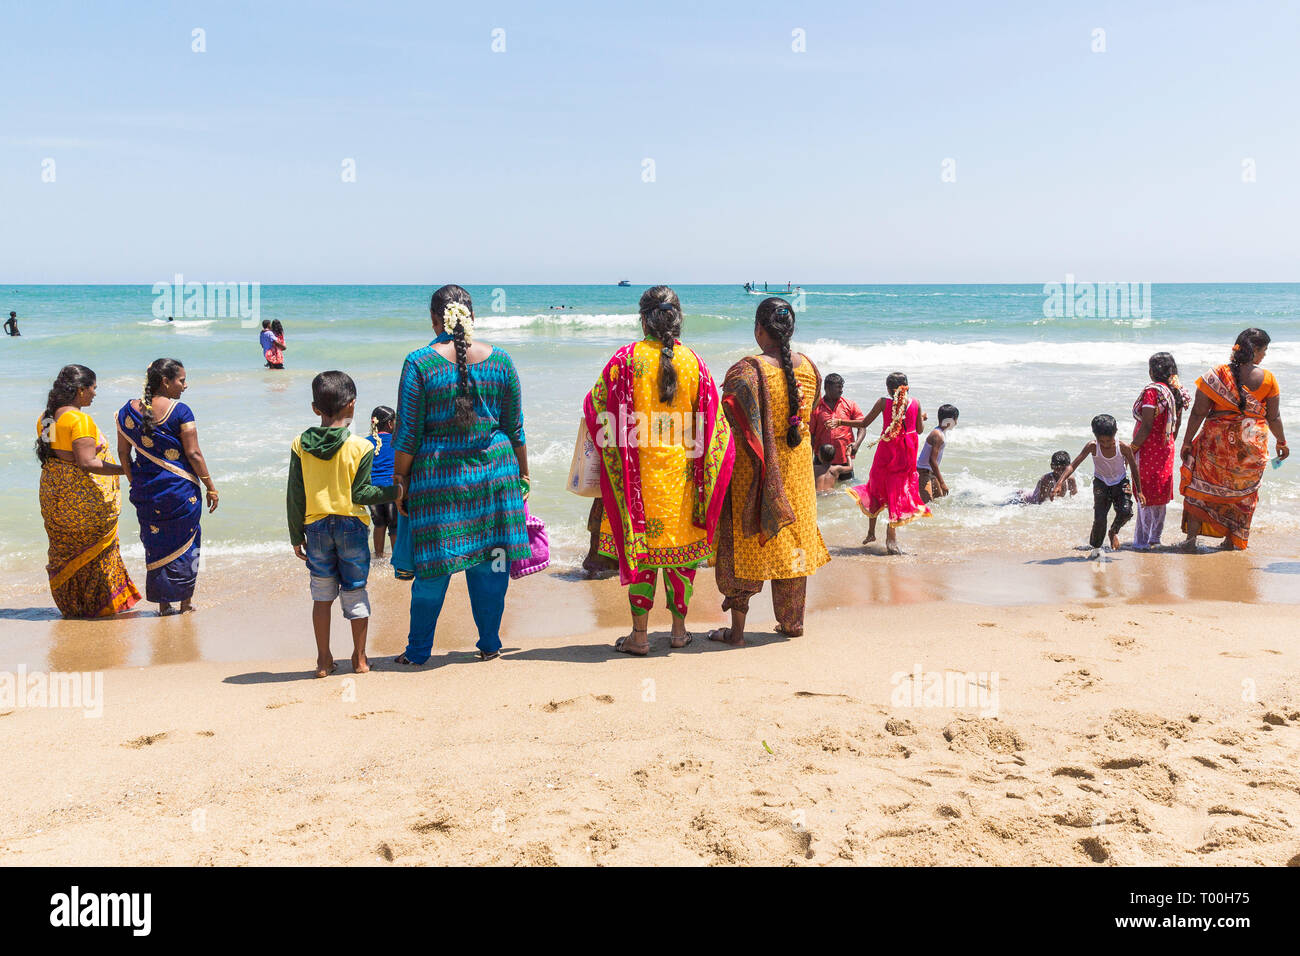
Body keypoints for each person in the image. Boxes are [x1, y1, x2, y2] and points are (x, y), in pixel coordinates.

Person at [583, 285, 733, 655]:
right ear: (677, 319)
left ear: (643, 319)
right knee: (680, 556)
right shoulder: (694, 363)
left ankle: (640, 635)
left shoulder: (625, 360)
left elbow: (595, 405)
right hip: (682, 479)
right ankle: (680, 631)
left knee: (643, 554)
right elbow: (716, 427)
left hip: (640, 481)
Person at [392, 285, 530, 664]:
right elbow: (514, 428)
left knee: (433, 569)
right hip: (497, 479)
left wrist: (399, 483)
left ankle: (418, 651)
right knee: (493, 563)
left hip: (440, 482)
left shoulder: (419, 363)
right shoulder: (501, 361)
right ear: (473, 317)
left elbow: (407, 433)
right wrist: (524, 477)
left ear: (435, 319)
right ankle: (489, 643)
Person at [708, 297, 827, 647]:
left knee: (743, 541)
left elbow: (724, 419)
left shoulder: (746, 370)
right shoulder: (809, 367)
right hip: (799, 469)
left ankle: (737, 632)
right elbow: (810, 414)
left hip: (754, 470)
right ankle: (792, 622)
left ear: (759, 329)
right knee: (793, 540)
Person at [287, 371, 401, 677]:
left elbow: (295, 494)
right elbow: (362, 493)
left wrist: (295, 534)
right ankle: (360, 659)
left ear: (315, 408)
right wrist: (397, 491)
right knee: (355, 590)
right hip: (351, 525)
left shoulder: (300, 444)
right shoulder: (360, 446)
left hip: (316, 526)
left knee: (321, 595)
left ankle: (324, 660)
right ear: (352, 406)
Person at [35, 365, 141, 617]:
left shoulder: (46, 418)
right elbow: (87, 463)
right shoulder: (80, 420)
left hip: (56, 499)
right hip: (83, 503)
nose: (95, 394)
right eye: (93, 388)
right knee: (96, 555)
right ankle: (98, 607)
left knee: (67, 552)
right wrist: (127, 470)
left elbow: (59, 456)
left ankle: (74, 606)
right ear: (81, 390)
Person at [116, 359, 219, 615]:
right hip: (180, 491)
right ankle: (185, 603)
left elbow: (122, 453)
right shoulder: (181, 411)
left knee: (156, 543)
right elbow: (193, 454)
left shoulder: (125, 412)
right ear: (165, 381)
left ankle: (164, 604)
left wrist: (134, 482)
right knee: (189, 543)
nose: (185, 385)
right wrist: (211, 486)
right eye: (181, 380)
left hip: (147, 491)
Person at [1180, 328, 1288, 550]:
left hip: (1215, 445)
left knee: (1200, 489)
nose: (1265, 355)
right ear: (1255, 349)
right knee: (1242, 495)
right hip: (1250, 448)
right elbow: (1274, 416)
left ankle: (1191, 540)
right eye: (1264, 350)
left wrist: (1187, 440)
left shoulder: (1216, 375)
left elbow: (1198, 412)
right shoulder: (1268, 379)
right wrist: (1282, 442)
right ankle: (1231, 541)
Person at [843, 372, 929, 554]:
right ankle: (891, 537)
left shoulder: (883, 402)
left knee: (875, 486)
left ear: (889, 389)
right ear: (906, 386)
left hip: (887, 451)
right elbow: (919, 431)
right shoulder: (916, 403)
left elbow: (864, 422)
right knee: (897, 491)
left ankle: (871, 532)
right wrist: (921, 418)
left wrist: (839, 421)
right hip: (907, 453)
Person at [1052, 414, 1144, 557]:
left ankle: (1113, 531)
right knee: (1100, 519)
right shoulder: (1092, 446)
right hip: (1101, 483)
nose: (1106, 444)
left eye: (1109, 440)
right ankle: (1095, 548)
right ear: (1095, 436)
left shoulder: (1124, 447)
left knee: (1126, 511)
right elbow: (1072, 466)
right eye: (1102, 441)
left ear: (1116, 433)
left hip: (1120, 482)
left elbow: (1134, 467)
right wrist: (1059, 483)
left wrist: (1139, 491)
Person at [1129, 353, 1189, 549]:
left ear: (1152, 372)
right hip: (1165, 449)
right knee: (1159, 493)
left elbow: (1146, 425)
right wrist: (1167, 444)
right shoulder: (1176, 392)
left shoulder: (1152, 392)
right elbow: (1176, 427)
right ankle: (1155, 538)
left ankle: (1142, 541)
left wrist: (1132, 449)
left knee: (1143, 492)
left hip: (1147, 450)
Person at [810, 373, 865, 480]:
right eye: (838, 387)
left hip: (843, 459)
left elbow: (862, 426)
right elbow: (810, 434)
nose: (841, 390)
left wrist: (857, 444)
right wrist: (809, 457)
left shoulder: (850, 404)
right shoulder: (816, 407)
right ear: (827, 388)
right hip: (821, 460)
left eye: (842, 387)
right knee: (821, 490)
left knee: (846, 490)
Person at [365, 405, 398, 557]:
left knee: (379, 524)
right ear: (390, 423)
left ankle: (378, 556)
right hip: (392, 489)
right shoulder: (397, 441)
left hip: (372, 491)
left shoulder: (365, 443)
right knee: (394, 526)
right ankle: (396, 559)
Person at [917, 404, 959, 503]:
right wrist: (942, 482)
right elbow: (932, 461)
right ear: (949, 421)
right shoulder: (938, 435)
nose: (956, 423)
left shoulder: (941, 432)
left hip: (931, 473)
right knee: (927, 504)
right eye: (956, 420)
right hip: (923, 473)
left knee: (938, 500)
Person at [1011, 451, 1076, 504]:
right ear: (1052, 466)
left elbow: (1074, 497)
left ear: (1068, 468)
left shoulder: (1070, 479)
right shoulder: (1046, 480)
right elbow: (1040, 502)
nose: (1061, 472)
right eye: (1058, 469)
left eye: (1063, 469)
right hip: (1026, 500)